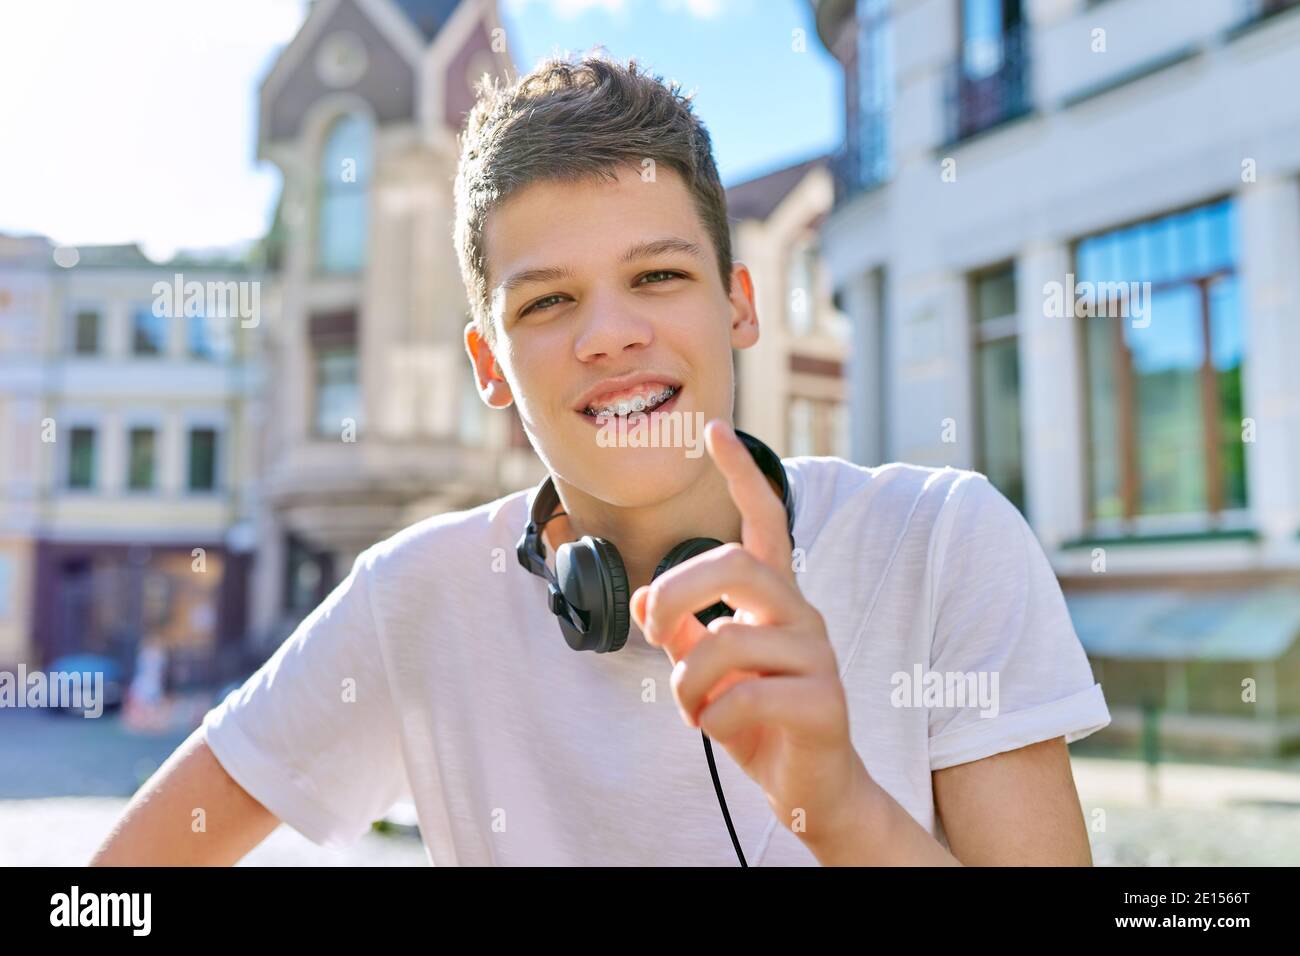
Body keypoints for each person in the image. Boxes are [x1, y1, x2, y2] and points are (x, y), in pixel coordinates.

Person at [91, 53, 1109, 867]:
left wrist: (839, 810)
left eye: (658, 275)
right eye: (548, 301)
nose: (610, 334)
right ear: (489, 364)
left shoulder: (941, 541)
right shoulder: (414, 598)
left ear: (738, 304)